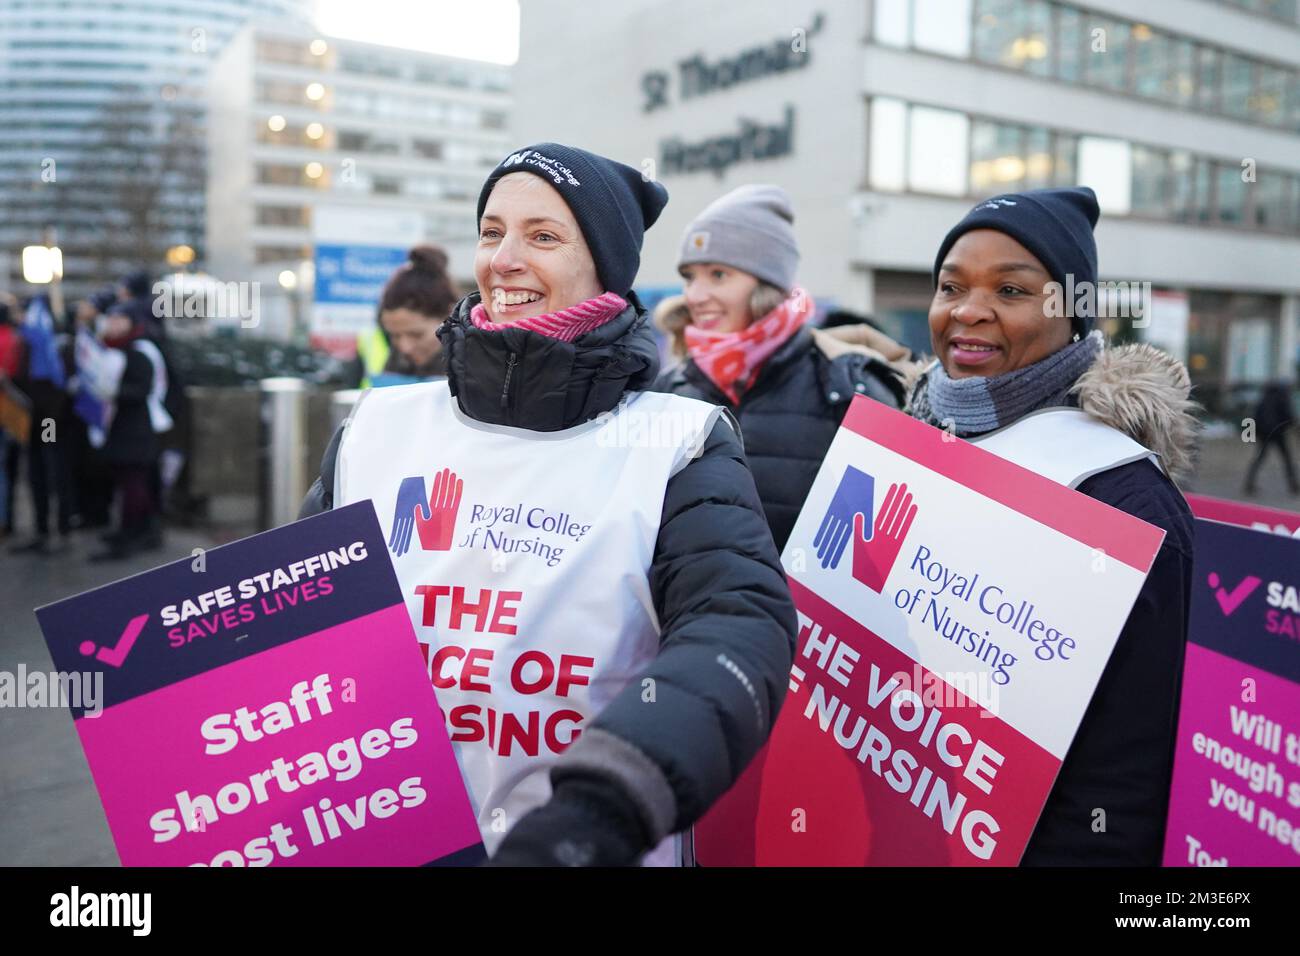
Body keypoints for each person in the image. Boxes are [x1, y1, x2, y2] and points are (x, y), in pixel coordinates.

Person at [300, 143, 797, 866]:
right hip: (384, 841)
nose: (503, 259)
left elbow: (737, 630)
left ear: (604, 267)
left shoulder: (679, 443)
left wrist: (600, 812)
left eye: (542, 236)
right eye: (491, 230)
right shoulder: (377, 428)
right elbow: (304, 627)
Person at [909, 187, 1196, 865]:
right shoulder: (908, 445)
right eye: (952, 286)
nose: (967, 311)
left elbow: (1123, 783)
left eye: (1010, 290)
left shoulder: (1127, 499)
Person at [653, 185, 904, 551]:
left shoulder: (847, 385)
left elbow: (879, 545)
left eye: (718, 275)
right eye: (690, 276)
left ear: (767, 286)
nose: (696, 295)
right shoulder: (669, 390)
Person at [84, 303, 173, 561]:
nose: (112, 324)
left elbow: (143, 390)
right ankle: (134, 531)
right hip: (121, 430)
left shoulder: (139, 352)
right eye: (110, 319)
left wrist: (113, 392)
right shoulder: (115, 349)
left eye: (119, 319)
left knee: (135, 486)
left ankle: (133, 534)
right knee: (128, 483)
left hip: (135, 433)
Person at [367, 244, 458, 385]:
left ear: (449, 317)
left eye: (417, 335)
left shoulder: (477, 369)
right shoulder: (396, 364)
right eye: (395, 336)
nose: (405, 347)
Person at [1244, 382, 1298, 495]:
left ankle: (1249, 483)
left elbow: (1255, 416)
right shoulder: (1282, 398)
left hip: (1264, 434)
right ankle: (1293, 485)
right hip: (1278, 433)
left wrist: (1257, 433)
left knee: (1259, 458)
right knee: (1287, 460)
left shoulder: (1264, 398)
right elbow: (1288, 416)